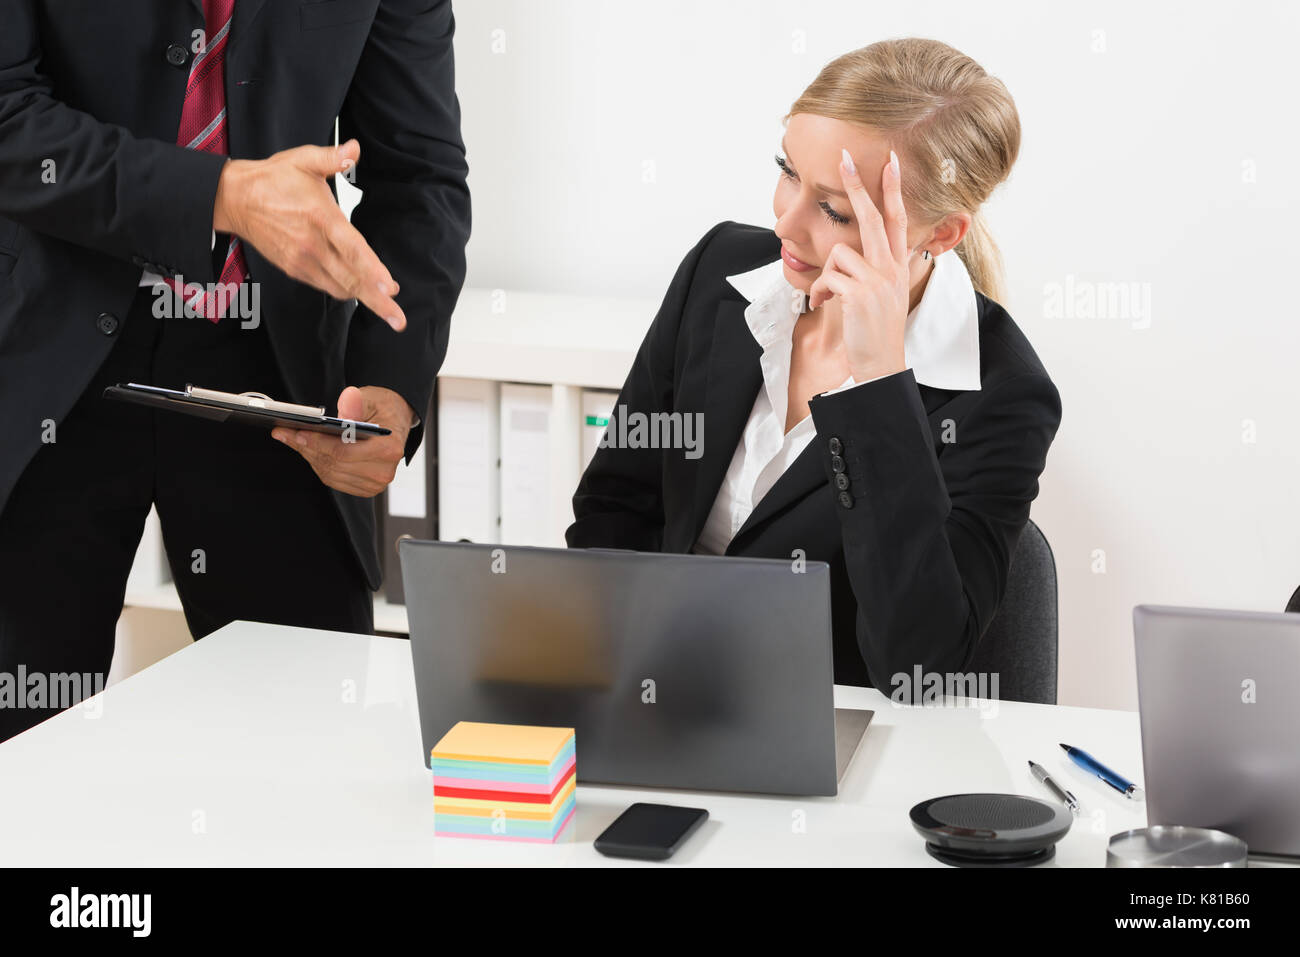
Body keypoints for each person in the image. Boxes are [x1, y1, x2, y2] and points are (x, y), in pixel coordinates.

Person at [0, 0, 471, 741]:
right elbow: (7, 117)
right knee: (19, 756)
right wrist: (221, 195)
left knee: (309, 750)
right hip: (41, 356)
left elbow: (420, 174)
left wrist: (389, 386)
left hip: (274, 379)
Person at [566, 38, 1062, 692]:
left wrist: (881, 382)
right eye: (788, 170)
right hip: (660, 697)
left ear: (939, 234)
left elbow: (917, 662)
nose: (786, 225)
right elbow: (615, 506)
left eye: (834, 209)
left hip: (835, 741)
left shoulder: (1003, 396)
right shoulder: (718, 273)